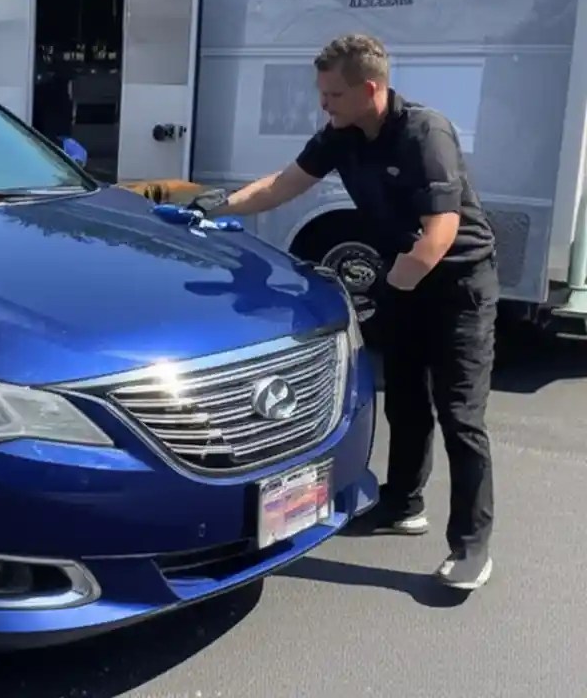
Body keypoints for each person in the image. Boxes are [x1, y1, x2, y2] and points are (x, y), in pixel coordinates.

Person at [188, 34, 498, 591]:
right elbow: (285, 184)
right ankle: (403, 505)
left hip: (458, 289)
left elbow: (441, 232)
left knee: (460, 416)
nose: (323, 103)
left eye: (333, 93)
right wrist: (217, 205)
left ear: (370, 89)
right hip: (408, 281)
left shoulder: (425, 134)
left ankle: (471, 545)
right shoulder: (342, 135)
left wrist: (389, 283)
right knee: (403, 400)